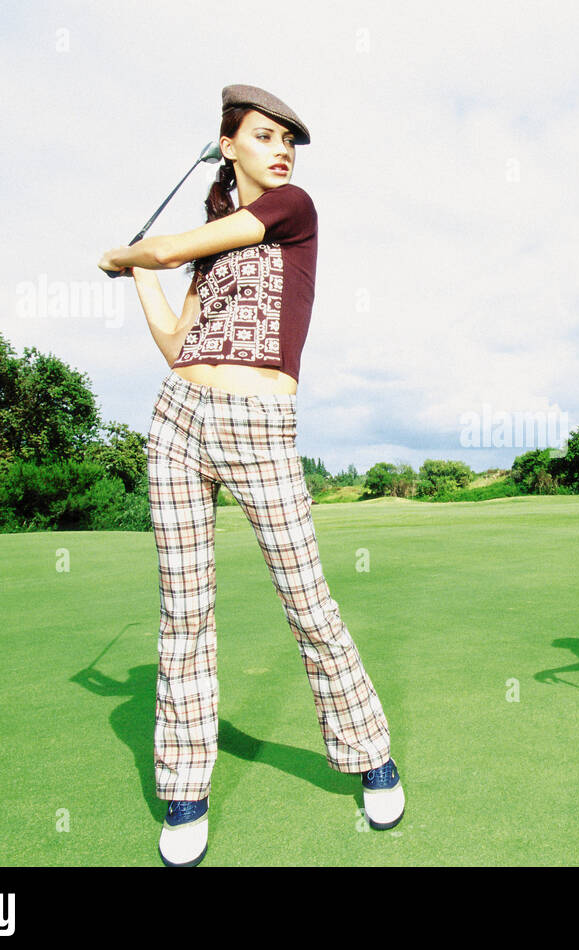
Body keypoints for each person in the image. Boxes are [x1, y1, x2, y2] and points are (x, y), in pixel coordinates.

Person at [98, 84, 403, 866]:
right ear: (227, 144)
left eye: (287, 140)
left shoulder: (293, 207)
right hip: (177, 419)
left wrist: (125, 255)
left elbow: (160, 248)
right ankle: (184, 789)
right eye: (264, 136)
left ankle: (371, 755)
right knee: (183, 615)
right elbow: (176, 343)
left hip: (259, 425)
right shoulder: (212, 242)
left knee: (308, 603)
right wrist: (141, 280)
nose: (282, 150)